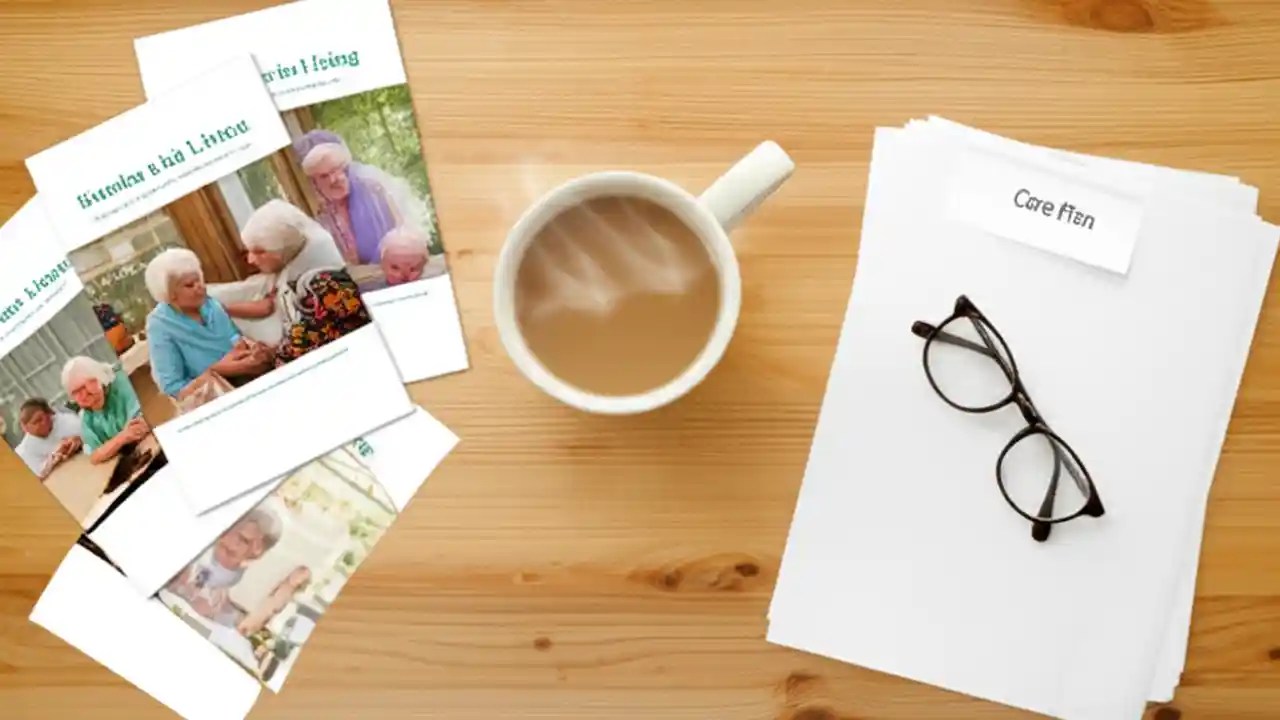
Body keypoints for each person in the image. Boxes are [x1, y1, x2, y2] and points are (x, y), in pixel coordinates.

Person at [240, 199, 373, 363]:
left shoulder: (322, 288)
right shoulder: (298, 281)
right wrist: (272, 352)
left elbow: (307, 353)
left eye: (260, 251)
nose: (251, 260)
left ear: (285, 249)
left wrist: (270, 357)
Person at [144, 248, 274, 400]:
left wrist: (253, 352)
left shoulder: (211, 304)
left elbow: (235, 339)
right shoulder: (159, 325)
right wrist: (217, 371)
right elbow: (174, 388)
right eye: (189, 285)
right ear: (169, 294)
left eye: (199, 280)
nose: (200, 287)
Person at [294, 129, 432, 265]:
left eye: (336, 170)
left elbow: (406, 231)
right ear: (314, 181)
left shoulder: (373, 187)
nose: (332, 180)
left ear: (345, 166)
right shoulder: (324, 206)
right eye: (323, 176)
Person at [164, 507, 283, 627]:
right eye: (231, 529)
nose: (231, 540)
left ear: (257, 552)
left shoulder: (237, 593)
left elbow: (206, 630)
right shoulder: (192, 549)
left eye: (244, 540)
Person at [60, 357, 148, 465]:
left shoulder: (123, 384)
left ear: (100, 378)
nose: (84, 397)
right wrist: (123, 437)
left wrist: (111, 445)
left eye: (86, 388)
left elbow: (140, 428)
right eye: (76, 393)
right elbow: (95, 457)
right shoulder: (86, 414)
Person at [13, 398, 83, 478]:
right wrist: (53, 459)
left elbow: (90, 435)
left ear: (49, 414)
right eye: (34, 423)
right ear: (25, 429)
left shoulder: (68, 421)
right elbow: (36, 474)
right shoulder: (25, 450)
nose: (39, 425)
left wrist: (78, 440)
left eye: (40, 419)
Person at [237, 565, 312, 636]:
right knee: (253, 621)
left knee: (256, 624)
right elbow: (272, 596)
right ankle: (243, 628)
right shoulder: (284, 585)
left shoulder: (292, 593)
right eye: (298, 577)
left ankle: (245, 630)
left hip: (271, 612)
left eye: (302, 580)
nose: (298, 581)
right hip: (267, 607)